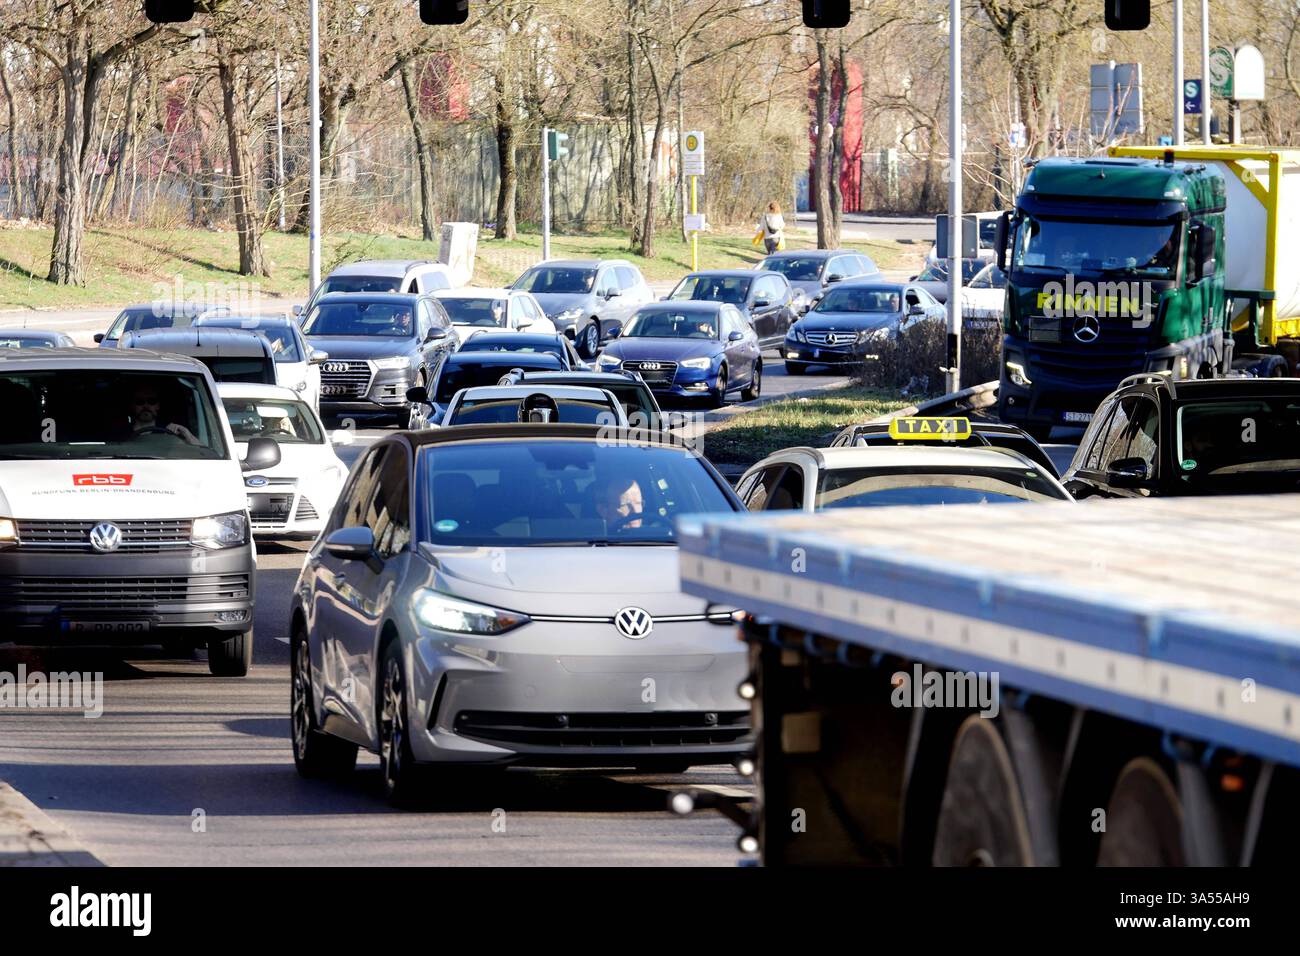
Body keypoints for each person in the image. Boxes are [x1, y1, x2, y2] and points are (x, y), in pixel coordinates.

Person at [125, 383, 200, 445]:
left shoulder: (170, 431)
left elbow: (203, 452)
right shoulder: (120, 432)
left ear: (158, 406)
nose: (146, 406)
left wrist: (186, 433)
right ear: (133, 406)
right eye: (140, 401)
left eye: (152, 401)